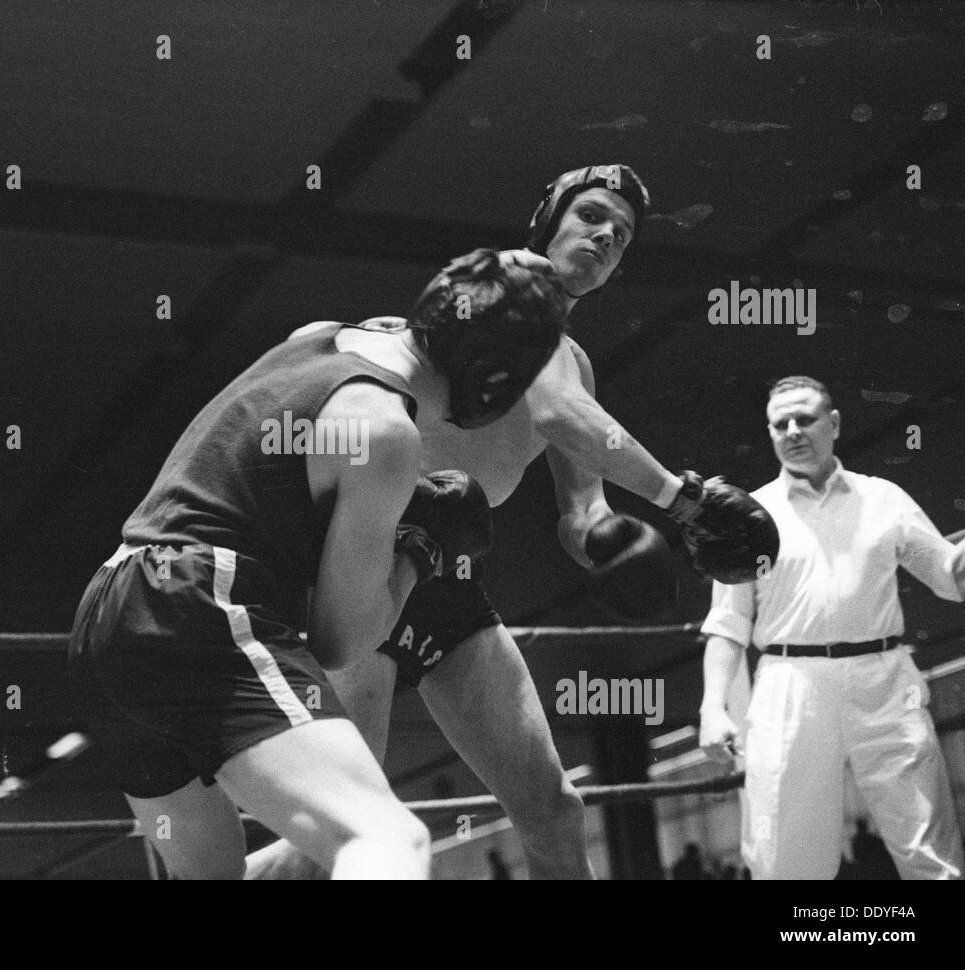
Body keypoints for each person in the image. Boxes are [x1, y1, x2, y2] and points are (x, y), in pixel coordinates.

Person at [247, 165, 779, 879]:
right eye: (590, 216)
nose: (603, 237)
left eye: (619, 237)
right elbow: (559, 413)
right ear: (548, 219)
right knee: (342, 831)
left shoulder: (572, 366)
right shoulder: (495, 299)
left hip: (448, 580)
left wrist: (612, 548)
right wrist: (683, 498)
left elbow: (580, 509)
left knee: (553, 809)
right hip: (356, 562)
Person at [68, 249, 567, 879]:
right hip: (197, 603)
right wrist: (423, 549)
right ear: (495, 383)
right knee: (387, 841)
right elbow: (340, 642)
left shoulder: (318, 339)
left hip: (109, 612)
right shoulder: (384, 432)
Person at [698, 375, 965, 879]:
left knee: (929, 850)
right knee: (785, 863)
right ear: (771, 433)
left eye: (806, 419)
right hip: (789, 686)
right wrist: (713, 706)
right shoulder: (749, 515)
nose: (794, 431)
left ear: (835, 424)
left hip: (884, 680)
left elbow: (949, 578)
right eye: (781, 424)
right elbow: (727, 622)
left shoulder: (884, 498)